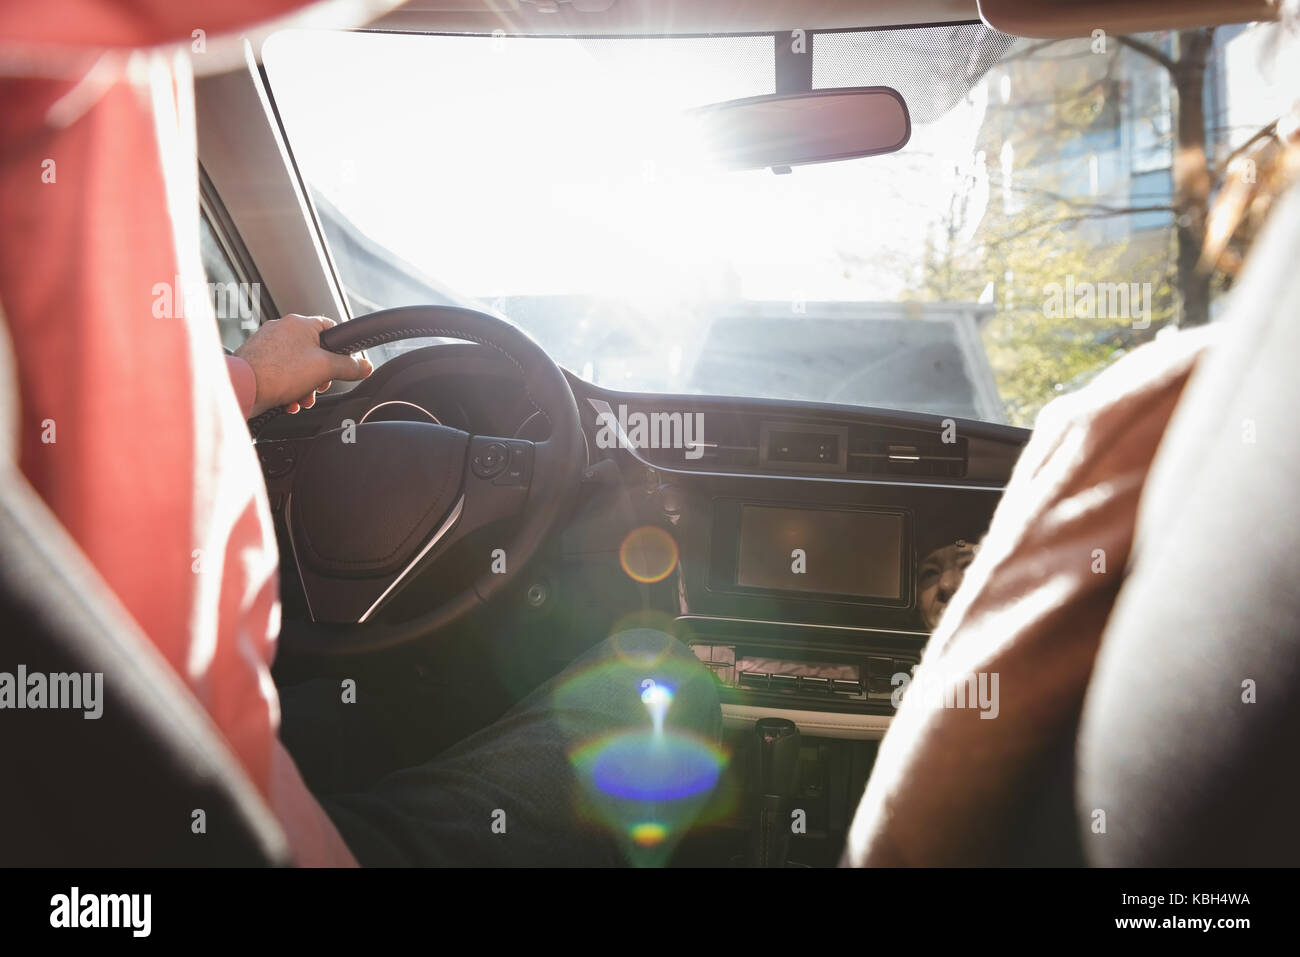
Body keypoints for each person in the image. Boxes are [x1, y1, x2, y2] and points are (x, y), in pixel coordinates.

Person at [0, 0, 721, 866]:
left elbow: (84, 412)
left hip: (138, 767)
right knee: (663, 679)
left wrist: (254, 377)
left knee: (417, 684)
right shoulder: (60, 53)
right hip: (210, 823)